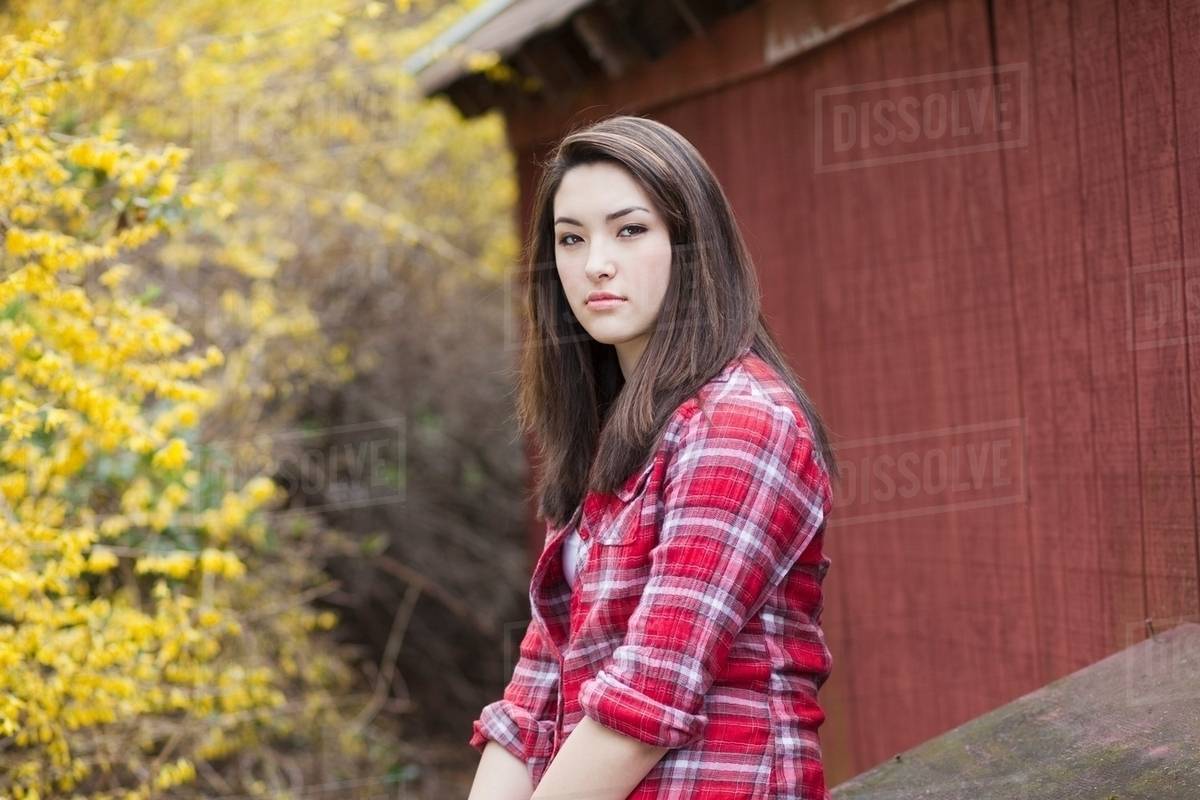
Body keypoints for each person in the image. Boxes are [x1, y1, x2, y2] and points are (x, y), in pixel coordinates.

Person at [466, 114, 838, 800]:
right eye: (570, 239)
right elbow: (533, 695)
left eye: (629, 230)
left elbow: (648, 696)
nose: (594, 263)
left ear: (691, 244)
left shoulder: (740, 424)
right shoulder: (611, 436)